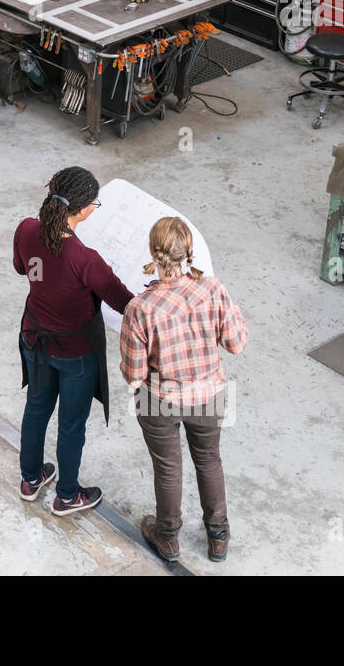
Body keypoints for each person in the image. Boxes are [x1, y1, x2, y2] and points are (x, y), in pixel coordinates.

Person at [120, 216, 247, 563]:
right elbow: (236, 343)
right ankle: (218, 536)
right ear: (189, 252)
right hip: (209, 395)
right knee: (209, 460)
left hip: (160, 400)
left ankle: (168, 537)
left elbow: (134, 376)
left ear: (152, 252)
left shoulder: (140, 308)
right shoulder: (213, 288)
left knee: (168, 469)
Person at [13, 167, 135, 517]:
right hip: (76, 355)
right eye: (95, 204)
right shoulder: (86, 259)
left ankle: (30, 478)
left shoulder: (26, 230)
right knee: (70, 425)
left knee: (36, 409)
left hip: (34, 339)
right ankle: (67, 496)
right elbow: (124, 302)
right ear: (82, 210)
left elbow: (24, 268)